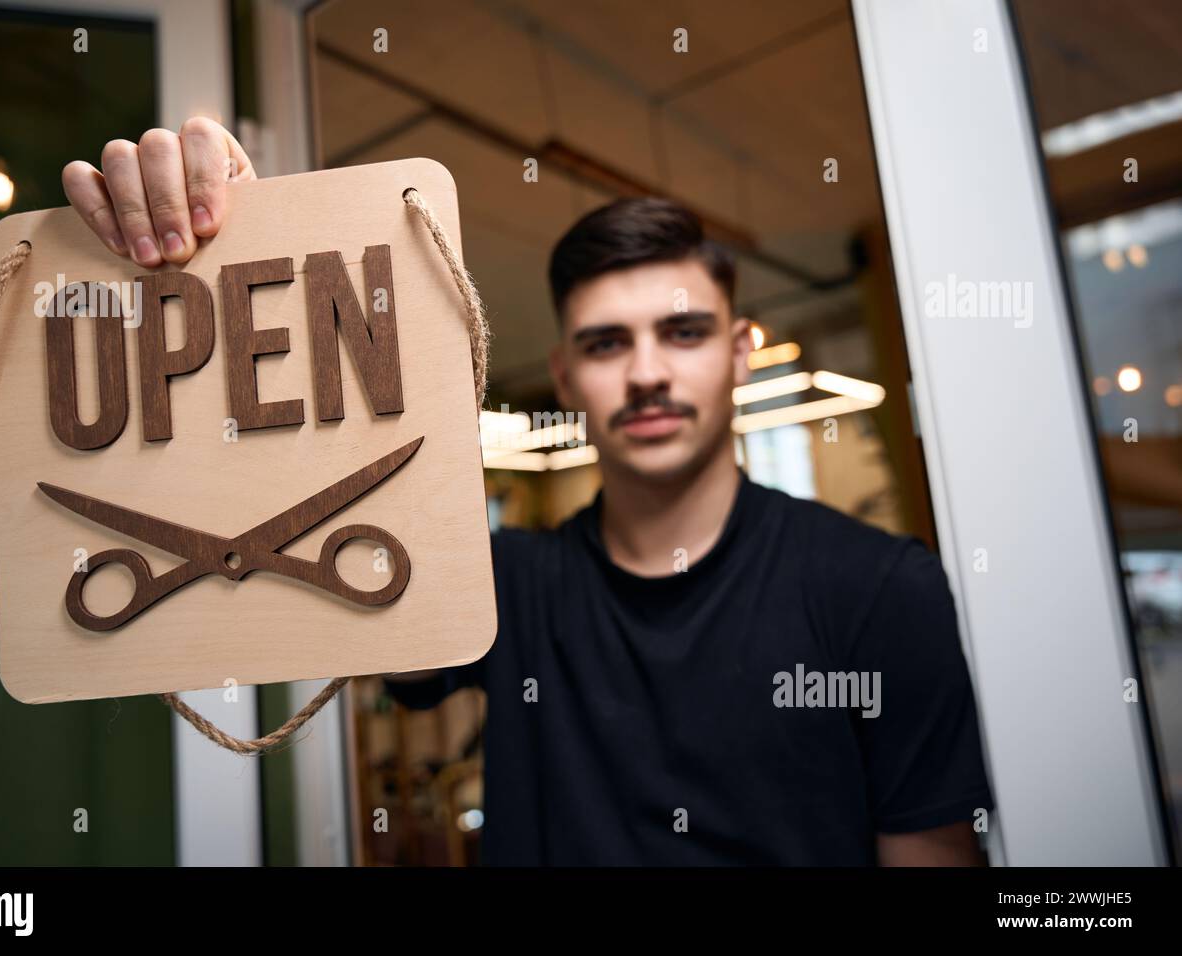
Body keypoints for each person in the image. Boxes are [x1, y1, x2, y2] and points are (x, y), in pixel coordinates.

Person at [62, 119, 995, 866]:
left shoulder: (878, 590)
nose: (645, 374)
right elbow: (311, 565)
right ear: (563, 374)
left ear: (741, 354)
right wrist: (244, 247)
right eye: (604, 343)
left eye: (681, 333)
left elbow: (928, 851)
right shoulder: (496, 584)